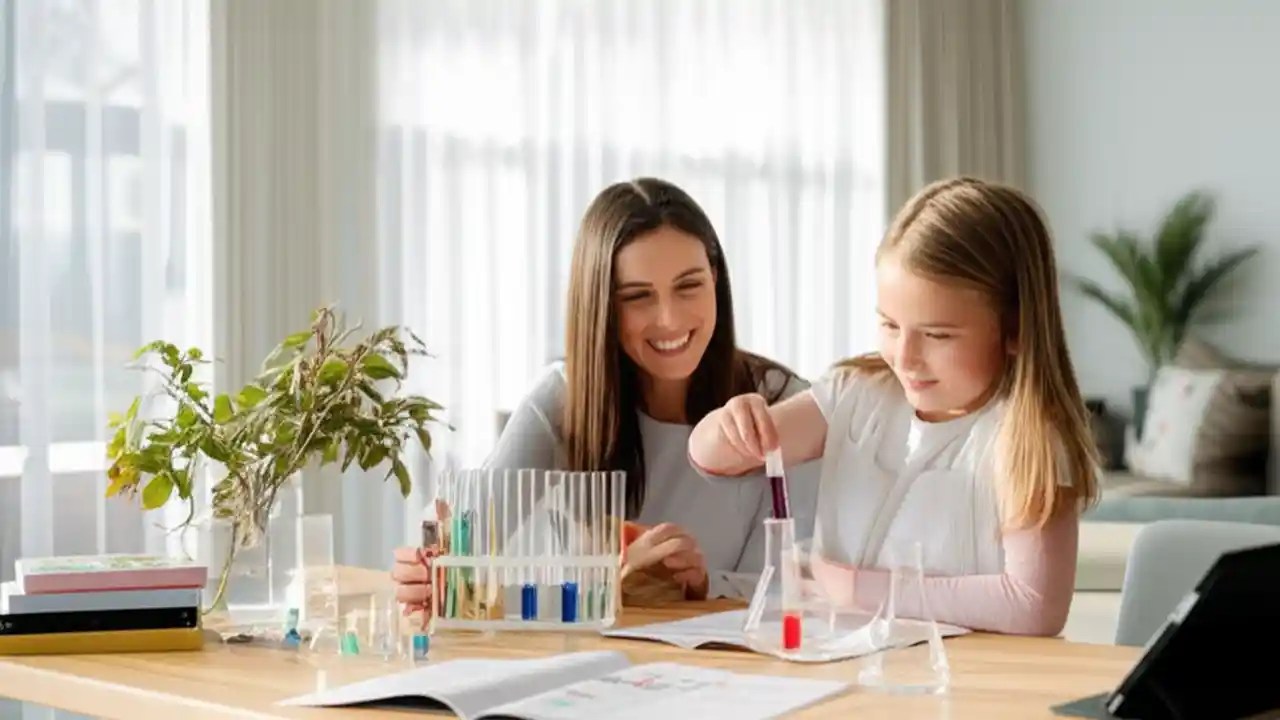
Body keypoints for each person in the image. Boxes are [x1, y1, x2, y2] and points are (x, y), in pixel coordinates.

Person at [688, 176, 1100, 637]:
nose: (905, 357)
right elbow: (713, 457)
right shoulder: (855, 396)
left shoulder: (1029, 438)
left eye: (937, 335)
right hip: (844, 664)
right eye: (889, 325)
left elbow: (1033, 607)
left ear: (1015, 329)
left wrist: (854, 590)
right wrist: (727, 426)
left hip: (963, 674)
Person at [392, 177, 813, 615]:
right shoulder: (564, 398)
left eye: (688, 286)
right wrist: (427, 566)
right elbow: (467, 534)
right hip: (592, 649)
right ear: (602, 307)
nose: (669, 319)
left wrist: (701, 584)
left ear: (716, 279)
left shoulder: (785, 406)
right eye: (637, 296)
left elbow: (794, 586)